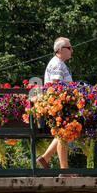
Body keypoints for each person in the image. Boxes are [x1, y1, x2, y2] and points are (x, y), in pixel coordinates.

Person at [35, 37, 76, 170]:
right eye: (69, 48)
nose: (72, 50)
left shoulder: (59, 63)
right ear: (60, 49)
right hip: (59, 106)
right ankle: (64, 170)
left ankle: (45, 158)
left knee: (63, 134)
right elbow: (55, 85)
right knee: (63, 134)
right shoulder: (57, 64)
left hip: (61, 105)